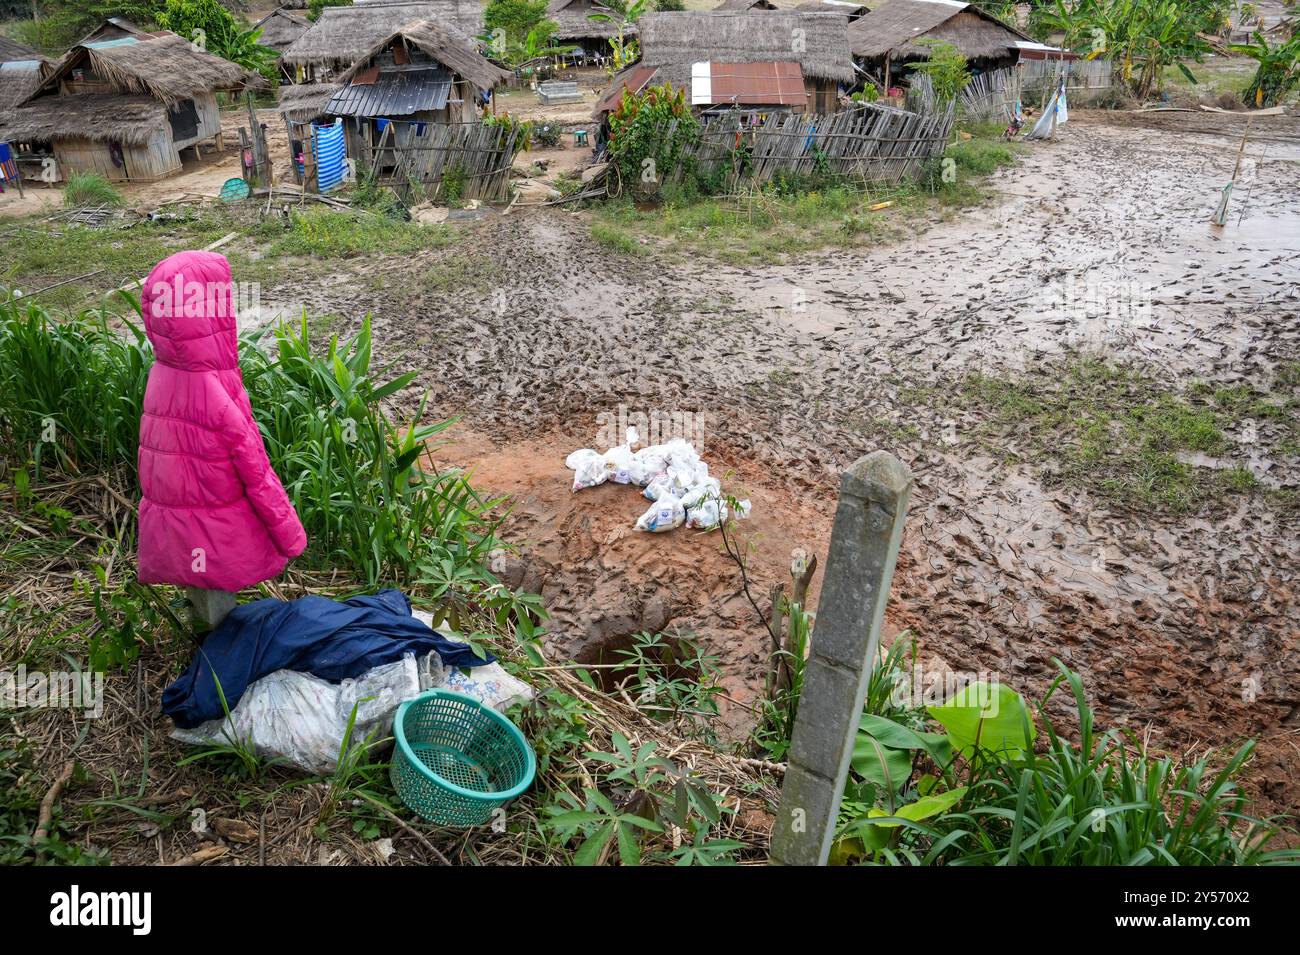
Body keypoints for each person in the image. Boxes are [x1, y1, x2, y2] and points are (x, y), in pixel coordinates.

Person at [137, 251, 306, 625]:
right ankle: (220, 643)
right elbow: (254, 466)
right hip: (214, 518)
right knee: (217, 599)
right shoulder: (211, 385)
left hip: (178, 517)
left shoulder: (162, 372)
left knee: (197, 575)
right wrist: (290, 534)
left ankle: (200, 624)